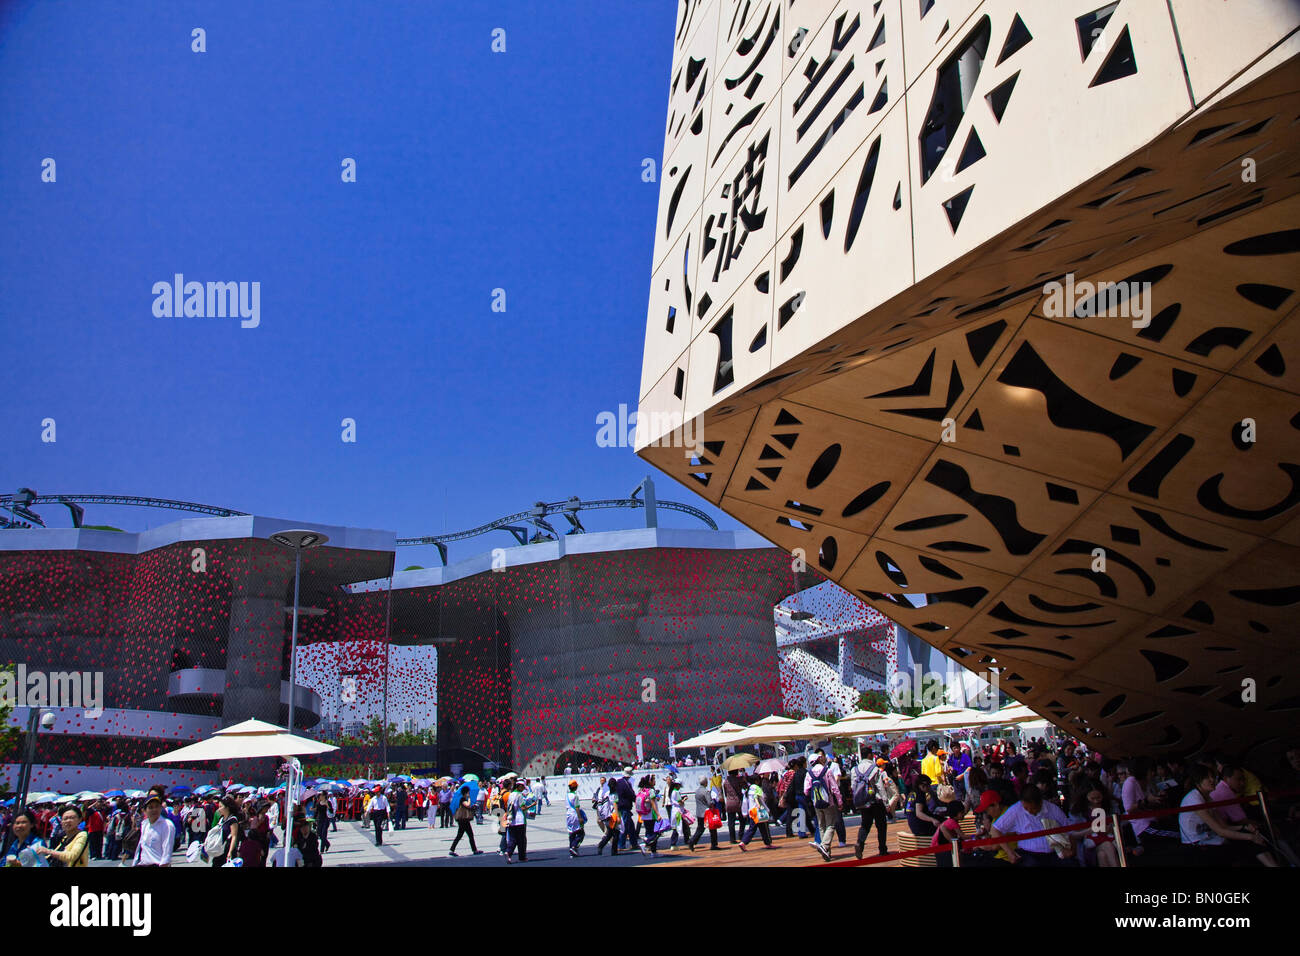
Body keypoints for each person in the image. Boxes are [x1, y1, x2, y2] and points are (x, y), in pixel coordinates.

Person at [1179, 764, 1275, 866]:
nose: (1212, 780)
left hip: (1211, 839)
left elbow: (1224, 826)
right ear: (1198, 782)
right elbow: (1221, 831)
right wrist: (1250, 837)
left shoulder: (1208, 798)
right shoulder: (1195, 799)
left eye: (1213, 776)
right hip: (1198, 845)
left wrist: (1245, 827)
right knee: (1248, 843)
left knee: (1251, 840)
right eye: (1207, 778)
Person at [990, 783, 1073, 866]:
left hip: (1053, 854)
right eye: (1026, 808)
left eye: (1033, 808)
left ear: (1040, 802)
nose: (1029, 811)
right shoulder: (1016, 809)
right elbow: (995, 829)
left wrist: (1069, 849)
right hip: (1028, 855)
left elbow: (1069, 830)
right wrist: (1009, 852)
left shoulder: (1052, 809)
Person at [852, 748, 889, 859]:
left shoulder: (855, 769)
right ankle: (882, 849)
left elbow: (853, 787)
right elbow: (879, 786)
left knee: (865, 825)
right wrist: (886, 802)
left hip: (863, 802)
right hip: (876, 801)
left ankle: (860, 843)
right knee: (881, 825)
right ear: (869, 755)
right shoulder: (874, 768)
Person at [805, 752, 841, 862]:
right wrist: (839, 801)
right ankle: (824, 846)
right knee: (831, 825)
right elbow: (834, 788)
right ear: (819, 759)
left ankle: (827, 853)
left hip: (816, 803)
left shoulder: (809, 773)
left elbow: (806, 790)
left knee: (821, 826)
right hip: (828, 802)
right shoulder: (826, 771)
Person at [132, 795, 175, 867]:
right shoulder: (144, 824)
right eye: (150, 807)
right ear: (144, 811)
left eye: (157, 806)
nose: (154, 810)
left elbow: (167, 850)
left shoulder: (167, 825)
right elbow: (141, 848)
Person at [737, 775, 773, 851]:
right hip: (759, 811)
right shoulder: (757, 788)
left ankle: (743, 842)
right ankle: (768, 843)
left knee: (752, 828)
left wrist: (744, 813)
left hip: (752, 811)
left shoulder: (748, 790)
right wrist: (767, 809)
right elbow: (761, 799)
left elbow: (745, 802)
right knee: (764, 828)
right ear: (756, 781)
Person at [448, 785, 482, 857]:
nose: (469, 794)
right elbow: (467, 805)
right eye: (468, 793)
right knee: (469, 835)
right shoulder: (462, 799)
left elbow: (468, 806)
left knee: (462, 835)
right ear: (465, 793)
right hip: (463, 820)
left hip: (464, 820)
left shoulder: (463, 799)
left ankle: (452, 850)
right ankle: (474, 850)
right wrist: (469, 798)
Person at [503, 780, 529, 863]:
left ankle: (509, 853)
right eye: (522, 787)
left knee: (513, 839)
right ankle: (522, 857)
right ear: (519, 786)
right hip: (520, 820)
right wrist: (531, 805)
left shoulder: (511, 794)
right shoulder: (519, 795)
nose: (523, 789)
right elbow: (523, 807)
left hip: (512, 820)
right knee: (521, 840)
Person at [594, 777, 620, 856]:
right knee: (615, 833)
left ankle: (601, 846)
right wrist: (618, 816)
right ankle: (613, 850)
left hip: (607, 816)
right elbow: (615, 805)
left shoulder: (606, 793)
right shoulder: (615, 794)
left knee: (610, 833)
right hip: (613, 816)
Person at [689, 774, 715, 851]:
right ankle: (714, 844)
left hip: (699, 812)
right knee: (712, 829)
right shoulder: (706, 791)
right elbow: (709, 802)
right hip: (706, 813)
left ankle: (692, 841)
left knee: (700, 829)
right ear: (705, 783)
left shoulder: (697, 791)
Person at [564, 780, 586, 857]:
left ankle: (572, 852)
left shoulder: (567, 795)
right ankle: (574, 846)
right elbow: (577, 807)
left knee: (571, 833)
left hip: (568, 815)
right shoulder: (575, 796)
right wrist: (580, 818)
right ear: (575, 787)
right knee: (581, 833)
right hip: (575, 815)